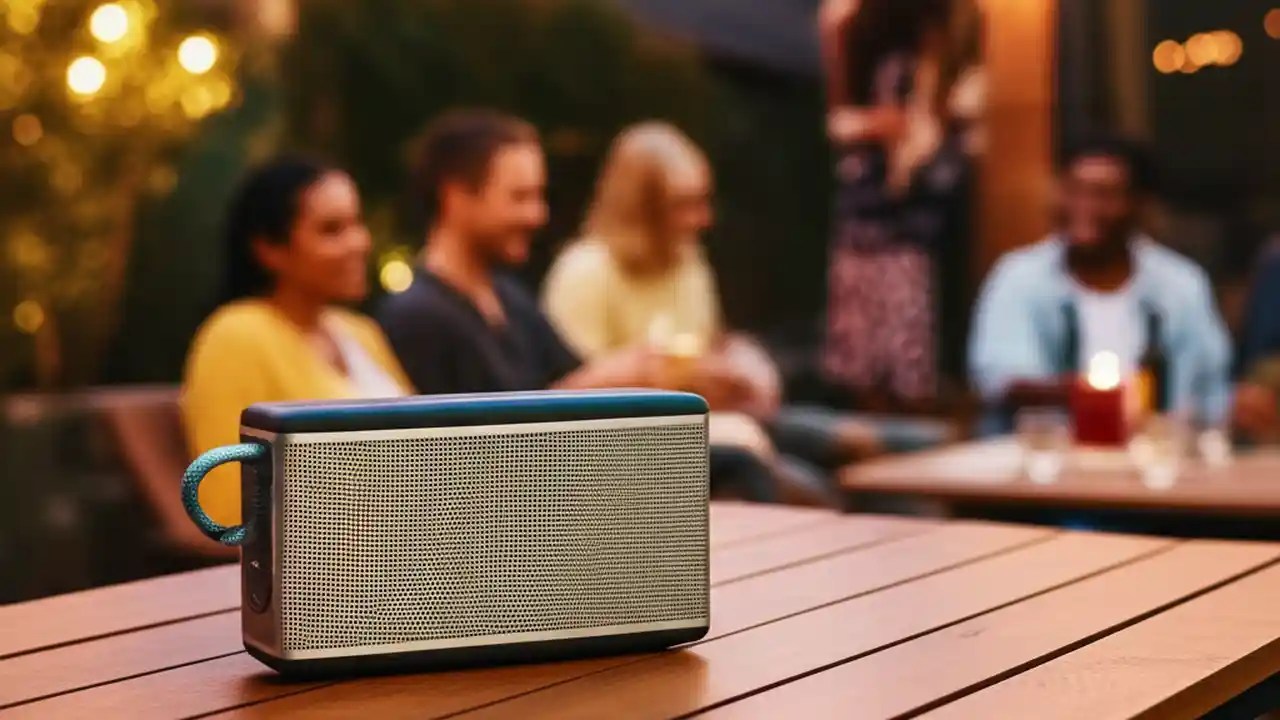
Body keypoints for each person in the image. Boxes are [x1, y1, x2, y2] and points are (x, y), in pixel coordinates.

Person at [377, 110, 780, 502]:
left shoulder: (509, 298)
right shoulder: (417, 317)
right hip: (523, 509)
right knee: (739, 463)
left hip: (570, 481)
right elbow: (466, 461)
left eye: (538, 196)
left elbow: (571, 377)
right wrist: (607, 378)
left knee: (752, 448)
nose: (538, 215)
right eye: (520, 197)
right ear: (456, 196)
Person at [543, 122, 951, 474]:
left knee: (916, 444)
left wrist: (742, 365)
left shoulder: (686, 260)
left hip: (714, 417)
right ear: (640, 207)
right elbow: (574, 393)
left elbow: (708, 341)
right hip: (642, 442)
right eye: (684, 206)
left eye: (703, 201)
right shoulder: (586, 271)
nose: (704, 219)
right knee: (827, 462)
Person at [182, 158, 411, 527]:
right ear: (269, 249)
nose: (360, 242)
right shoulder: (235, 335)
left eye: (357, 224)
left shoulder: (361, 332)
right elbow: (226, 503)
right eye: (332, 229)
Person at [968, 135, 1232, 433]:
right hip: (1043, 460)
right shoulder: (1019, 276)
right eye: (1073, 190)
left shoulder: (1181, 284)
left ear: (1138, 205)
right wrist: (1098, 396)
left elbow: (1209, 390)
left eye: (1103, 194)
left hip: (1155, 459)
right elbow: (1003, 380)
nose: (1084, 206)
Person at [819, 0, 984, 402]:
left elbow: (958, 126)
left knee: (912, 365)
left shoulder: (953, 38)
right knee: (865, 365)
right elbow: (839, 120)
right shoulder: (853, 23)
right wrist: (887, 126)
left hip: (920, 225)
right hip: (870, 217)